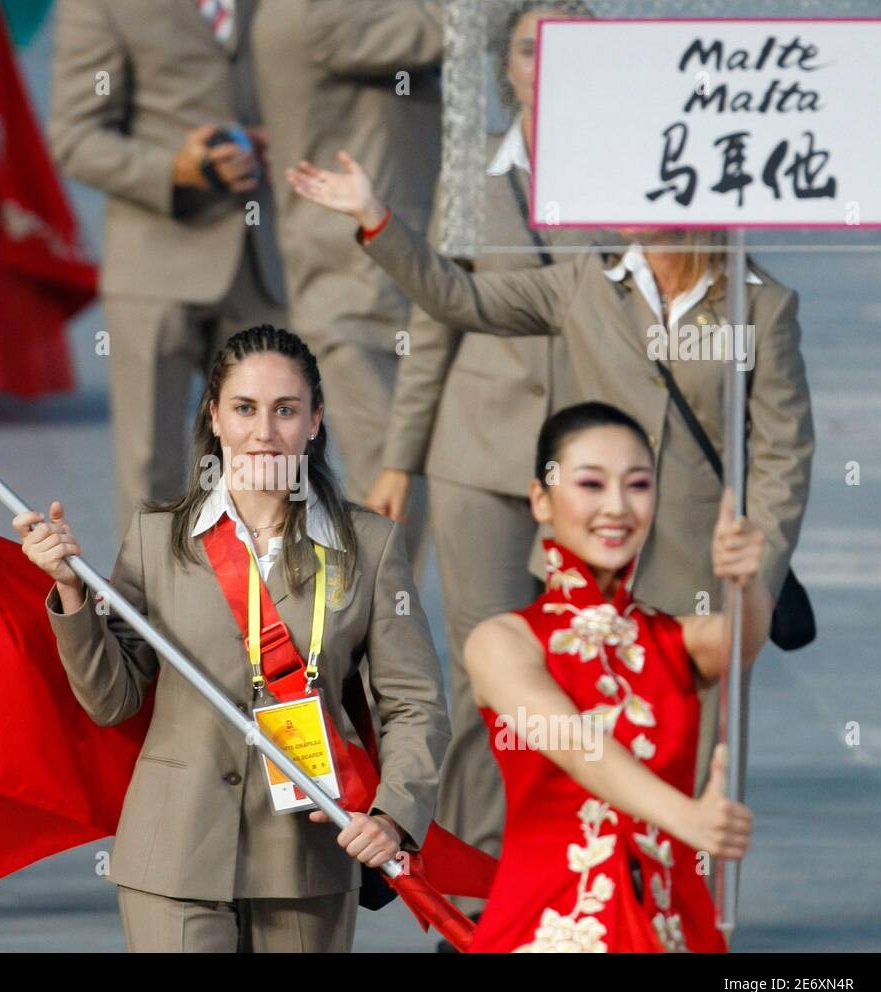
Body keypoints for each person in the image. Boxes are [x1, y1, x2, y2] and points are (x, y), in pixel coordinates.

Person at [287, 143, 814, 797]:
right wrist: (376, 219)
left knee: (689, 777)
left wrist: (754, 582)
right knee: (586, 781)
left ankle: (680, 905)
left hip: (699, 579)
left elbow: (782, 455)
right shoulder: (586, 283)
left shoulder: (763, 306)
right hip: (584, 578)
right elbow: (462, 298)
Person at [14, 325, 449, 953]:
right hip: (174, 848)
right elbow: (111, 700)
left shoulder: (371, 546)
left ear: (316, 420)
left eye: (286, 410)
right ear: (214, 417)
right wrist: (72, 591)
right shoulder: (156, 537)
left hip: (308, 858)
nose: (264, 431)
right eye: (244, 408)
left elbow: (415, 705)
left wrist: (392, 813)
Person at [367, 1, 607, 920]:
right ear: (501, 65)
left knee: (589, 670)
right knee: (480, 675)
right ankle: (483, 889)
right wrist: (401, 458)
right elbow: (437, 319)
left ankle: (584, 879)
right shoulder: (475, 174)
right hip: (479, 458)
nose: (544, 64)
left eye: (566, 46)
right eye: (525, 47)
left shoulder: (639, 176)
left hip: (598, 471)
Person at [463, 402, 763, 951]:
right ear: (541, 499)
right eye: (591, 484)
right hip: (549, 921)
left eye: (639, 484)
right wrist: (689, 820)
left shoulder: (677, 640)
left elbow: (744, 638)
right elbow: (578, 748)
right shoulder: (501, 643)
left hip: (675, 924)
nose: (617, 507)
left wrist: (747, 578)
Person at [48, 0, 286, 534]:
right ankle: (147, 615)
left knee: (274, 471)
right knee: (151, 480)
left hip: (266, 261)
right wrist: (173, 170)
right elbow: (75, 137)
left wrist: (289, 144)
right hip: (155, 265)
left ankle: (270, 614)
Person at [250, 0, 442, 557]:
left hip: (382, 278)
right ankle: (365, 640)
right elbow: (452, 25)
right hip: (357, 288)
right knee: (389, 485)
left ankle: (369, 634)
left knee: (396, 485)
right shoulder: (322, 12)